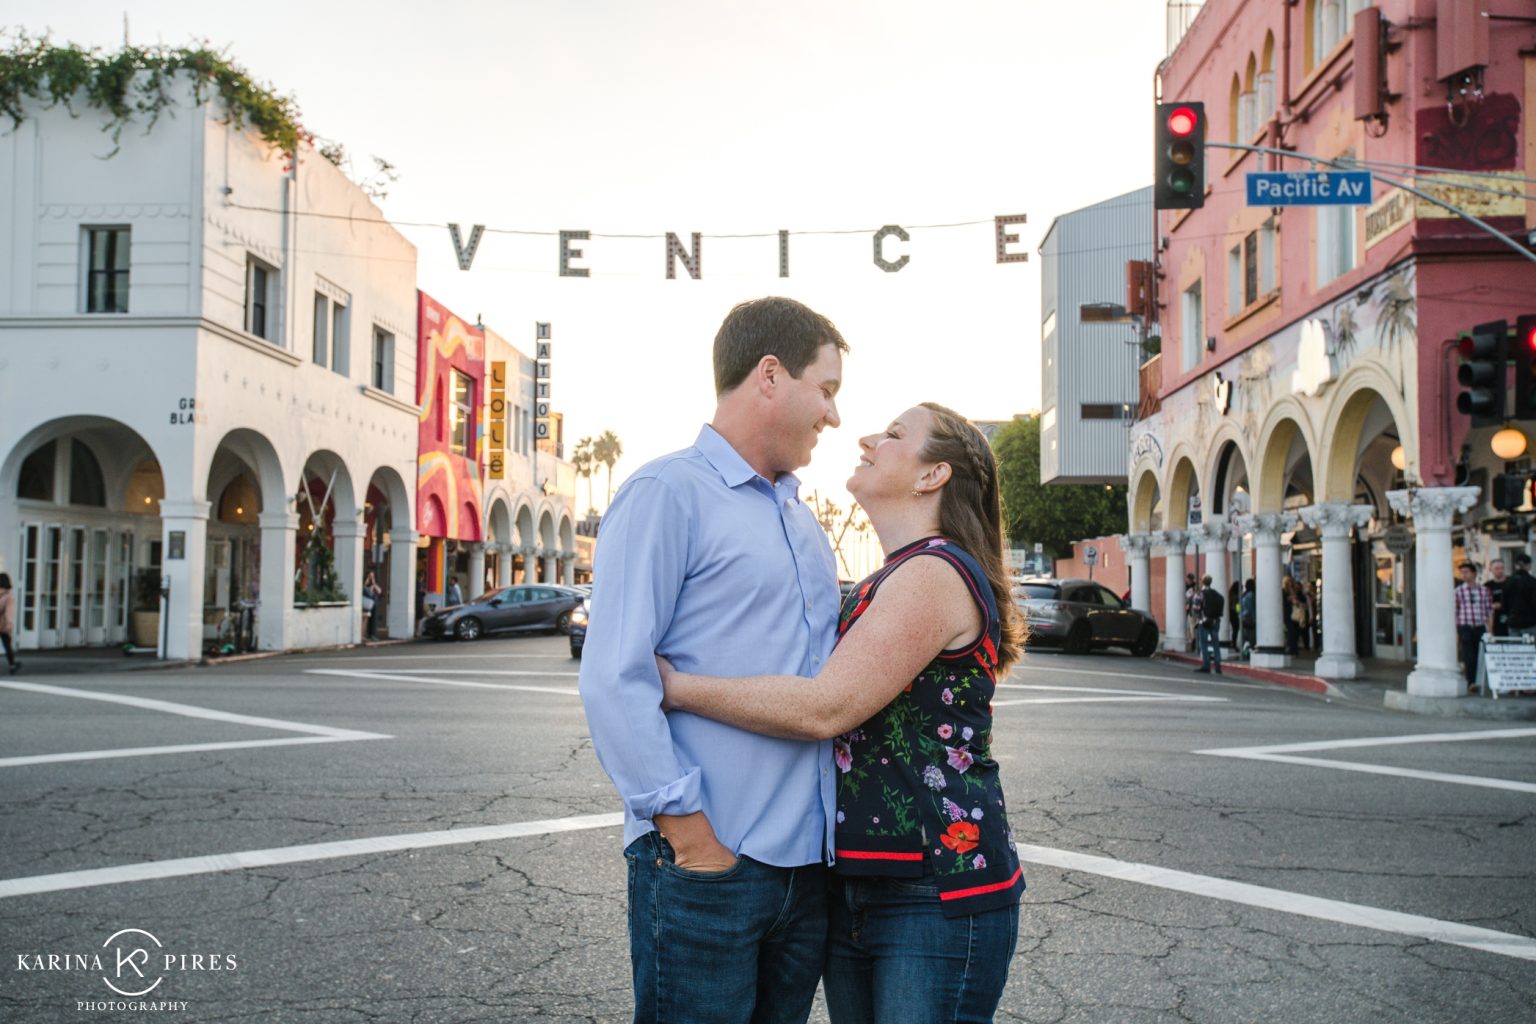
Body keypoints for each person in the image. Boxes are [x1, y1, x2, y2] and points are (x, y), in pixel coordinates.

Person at [660, 402, 1026, 1024]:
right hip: (864, 884)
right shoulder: (895, 575)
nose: (866, 437)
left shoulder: (933, 572)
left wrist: (676, 686)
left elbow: (825, 708)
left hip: (934, 891)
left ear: (931, 475)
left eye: (893, 434)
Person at [578, 296, 847, 1024]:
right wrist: (690, 837)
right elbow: (615, 677)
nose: (834, 415)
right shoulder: (667, 493)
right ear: (769, 375)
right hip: (708, 863)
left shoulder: (799, 515)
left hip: (805, 873)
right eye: (827, 389)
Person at [1453, 561, 1494, 690]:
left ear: (1474, 573)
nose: (1464, 575)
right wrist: (1456, 632)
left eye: (1466, 572)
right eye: (1462, 573)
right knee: (1468, 654)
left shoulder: (1484, 591)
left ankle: (1479, 681)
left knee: (1479, 654)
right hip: (1465, 625)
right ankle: (1471, 681)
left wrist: (1490, 630)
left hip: (1479, 625)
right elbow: (1455, 611)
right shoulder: (1458, 591)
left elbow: (1489, 611)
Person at [1194, 574, 1224, 675]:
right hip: (1215, 621)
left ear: (1202, 582)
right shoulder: (1217, 594)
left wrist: (1198, 615)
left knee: (1204, 643)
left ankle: (1206, 665)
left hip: (1204, 621)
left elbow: (1196, 606)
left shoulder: (1201, 593)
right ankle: (1218, 666)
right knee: (1216, 644)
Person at [1505, 553, 1536, 640]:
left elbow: (1504, 603)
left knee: (1515, 650)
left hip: (1513, 621)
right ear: (1528, 565)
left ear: (1516, 566)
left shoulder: (1508, 581)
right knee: (1531, 650)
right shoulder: (1532, 582)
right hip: (1530, 622)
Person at [0, 572, 19, 675]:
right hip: (2, 625)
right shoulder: (8, 596)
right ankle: (12, 665)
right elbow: (9, 612)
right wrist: (9, 624)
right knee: (7, 645)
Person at [1486, 559, 1510, 638]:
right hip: (1494, 620)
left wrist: (1503, 605)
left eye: (1502, 568)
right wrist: (1491, 605)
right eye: (1496, 568)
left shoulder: (1511, 582)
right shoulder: (1487, 586)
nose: (1500, 571)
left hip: (1510, 619)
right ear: (1491, 569)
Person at [361, 571, 382, 641]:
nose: (371, 577)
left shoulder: (372, 584)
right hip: (366, 604)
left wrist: (374, 583)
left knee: (370, 620)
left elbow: (379, 591)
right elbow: (368, 592)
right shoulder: (365, 584)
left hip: (372, 605)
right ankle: (366, 635)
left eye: (373, 576)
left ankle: (370, 634)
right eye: (370, 576)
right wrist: (367, 580)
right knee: (366, 621)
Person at [1240, 578, 1256, 655]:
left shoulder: (1243, 595)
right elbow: (1250, 608)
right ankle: (1249, 652)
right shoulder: (1251, 595)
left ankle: (1245, 652)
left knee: (1246, 636)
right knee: (1251, 637)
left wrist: (1240, 615)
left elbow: (1239, 607)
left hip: (1243, 617)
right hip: (1250, 617)